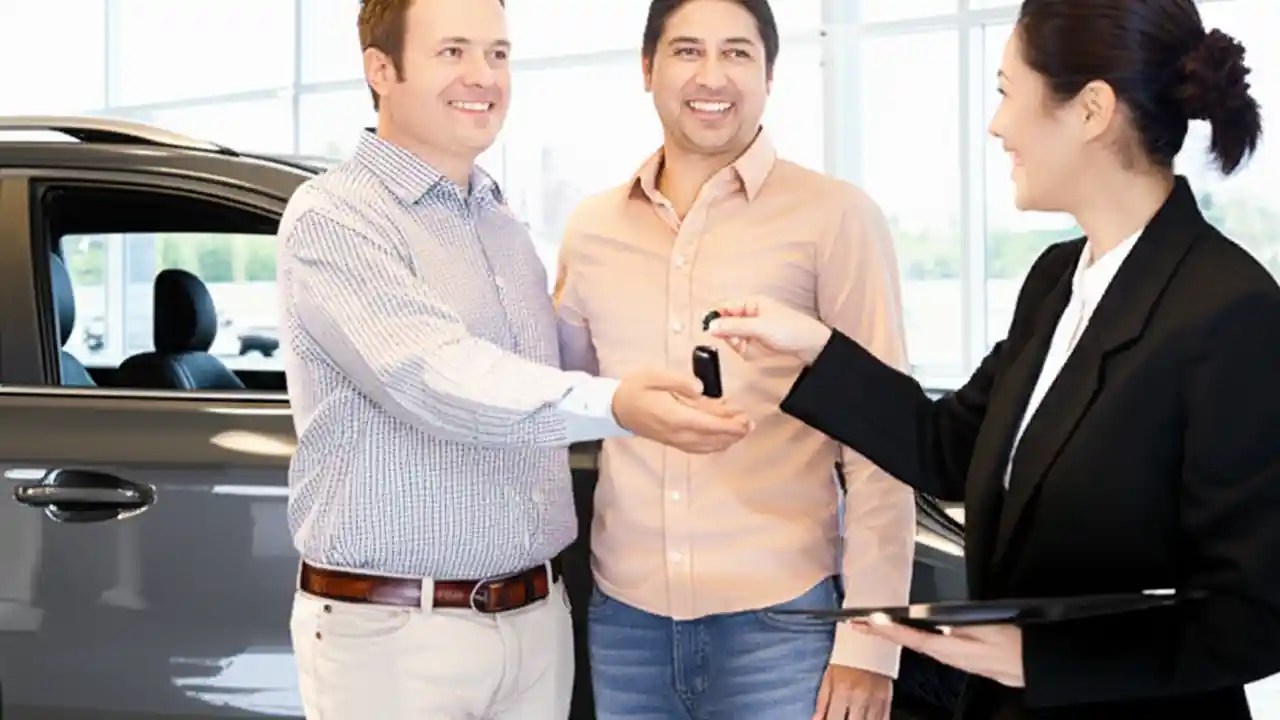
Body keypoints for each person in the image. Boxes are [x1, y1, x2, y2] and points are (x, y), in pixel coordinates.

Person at [708, 0, 1280, 718]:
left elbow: (1255, 615)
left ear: (1091, 110)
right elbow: (949, 448)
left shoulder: (1230, 311)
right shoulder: (1055, 280)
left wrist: (1039, 659)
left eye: (1008, 92)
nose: (996, 124)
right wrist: (816, 347)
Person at [276, 1, 752, 718]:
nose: (483, 76)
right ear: (382, 70)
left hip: (534, 619)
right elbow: (437, 376)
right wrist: (617, 402)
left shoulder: (500, 225)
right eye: (453, 53)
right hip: (398, 636)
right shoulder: (335, 217)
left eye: (498, 54)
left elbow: (545, 372)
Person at [554, 1, 917, 718]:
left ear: (770, 74)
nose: (711, 75)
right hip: (626, 623)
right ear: (648, 68)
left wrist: (873, 640)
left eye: (738, 53)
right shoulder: (591, 229)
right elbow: (564, 404)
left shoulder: (834, 216)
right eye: (687, 51)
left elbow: (884, 441)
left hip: (781, 626)